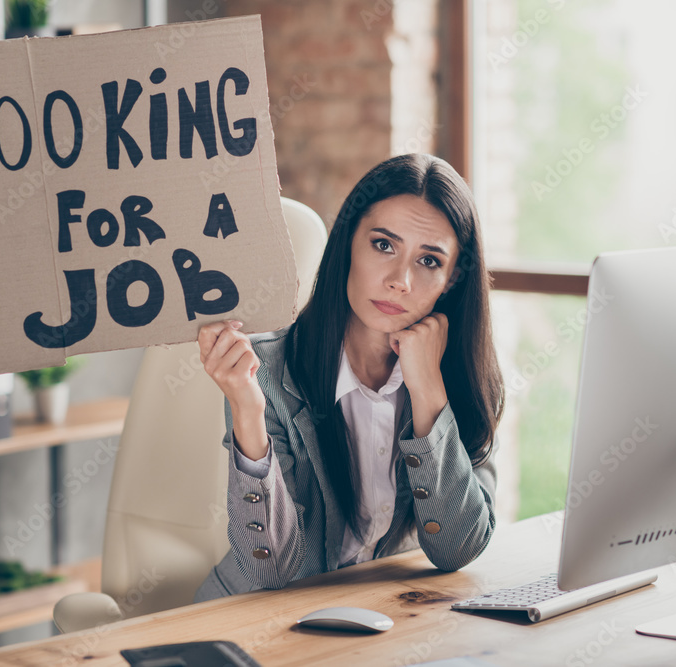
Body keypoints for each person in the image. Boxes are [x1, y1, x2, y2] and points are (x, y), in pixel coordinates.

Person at [193, 153, 504, 601]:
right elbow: (274, 572)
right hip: (246, 622)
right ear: (348, 245)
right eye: (383, 245)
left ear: (452, 279)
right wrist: (247, 407)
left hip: (370, 622)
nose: (400, 280)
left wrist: (429, 392)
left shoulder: (466, 378)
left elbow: (458, 548)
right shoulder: (267, 368)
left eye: (430, 261)